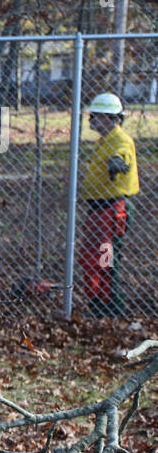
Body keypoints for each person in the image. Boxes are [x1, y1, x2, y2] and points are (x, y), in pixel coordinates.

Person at [78, 92, 139, 318]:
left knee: (106, 261)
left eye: (95, 116)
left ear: (109, 117)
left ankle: (111, 310)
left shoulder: (120, 140)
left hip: (112, 211)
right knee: (92, 259)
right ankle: (98, 308)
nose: (90, 120)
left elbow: (123, 155)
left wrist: (119, 163)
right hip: (99, 211)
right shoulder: (105, 140)